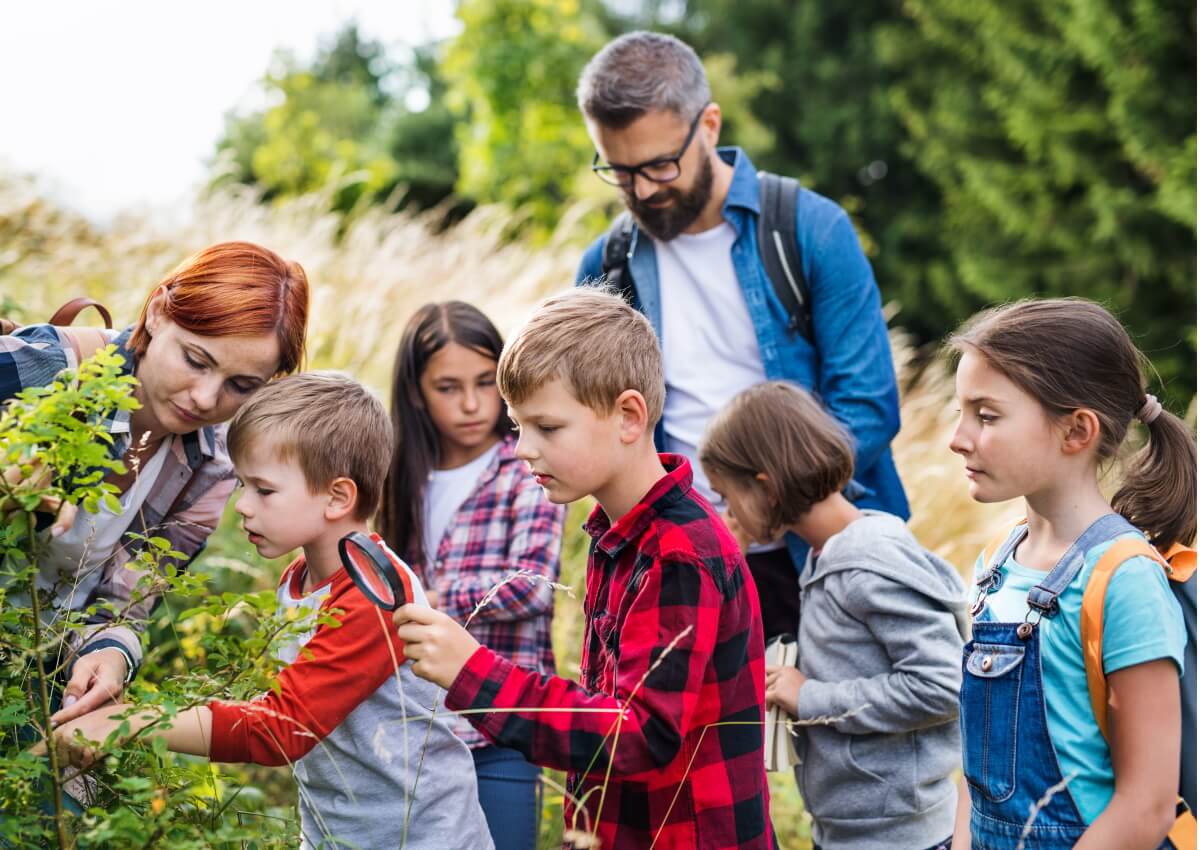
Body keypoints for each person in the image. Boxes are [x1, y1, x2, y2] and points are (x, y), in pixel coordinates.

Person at [393, 288, 774, 849]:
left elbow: (638, 733)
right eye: (519, 426)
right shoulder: (616, 535)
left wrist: (473, 673)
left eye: (547, 428)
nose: (523, 449)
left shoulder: (679, 553)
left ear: (627, 416)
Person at [49, 372, 494, 850]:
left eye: (264, 489)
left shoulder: (374, 593)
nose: (242, 505)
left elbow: (284, 729)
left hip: (422, 837)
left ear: (337, 497)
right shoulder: (299, 578)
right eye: (242, 484)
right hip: (337, 832)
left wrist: (132, 721)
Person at [573, 31, 908, 640]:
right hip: (677, 562)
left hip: (820, 557)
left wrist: (753, 514)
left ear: (709, 124)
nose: (642, 191)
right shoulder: (606, 265)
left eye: (658, 166)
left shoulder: (810, 229)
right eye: (619, 173)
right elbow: (598, 425)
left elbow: (868, 407)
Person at [0, 241, 309, 727]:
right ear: (158, 313)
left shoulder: (212, 466)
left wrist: (111, 653)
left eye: (242, 385)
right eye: (196, 360)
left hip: (34, 685)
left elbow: (125, 600)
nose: (206, 399)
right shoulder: (52, 367)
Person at [947, 299, 1191, 849]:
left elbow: (1147, 805)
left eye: (986, 416)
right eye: (960, 412)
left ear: (1077, 430)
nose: (958, 438)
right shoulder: (996, 563)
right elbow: (976, 771)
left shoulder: (1124, 578)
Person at [698, 381, 964, 850]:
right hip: (849, 830)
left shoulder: (868, 566)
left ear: (766, 487)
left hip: (900, 838)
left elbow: (943, 685)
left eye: (726, 496)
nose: (727, 513)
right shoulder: (826, 559)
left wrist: (813, 696)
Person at [377, 301, 565, 850]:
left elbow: (533, 584)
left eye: (487, 383)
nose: (472, 404)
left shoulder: (527, 466)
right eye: (448, 388)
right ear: (415, 392)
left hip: (501, 723)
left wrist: (432, 599)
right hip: (419, 726)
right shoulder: (399, 474)